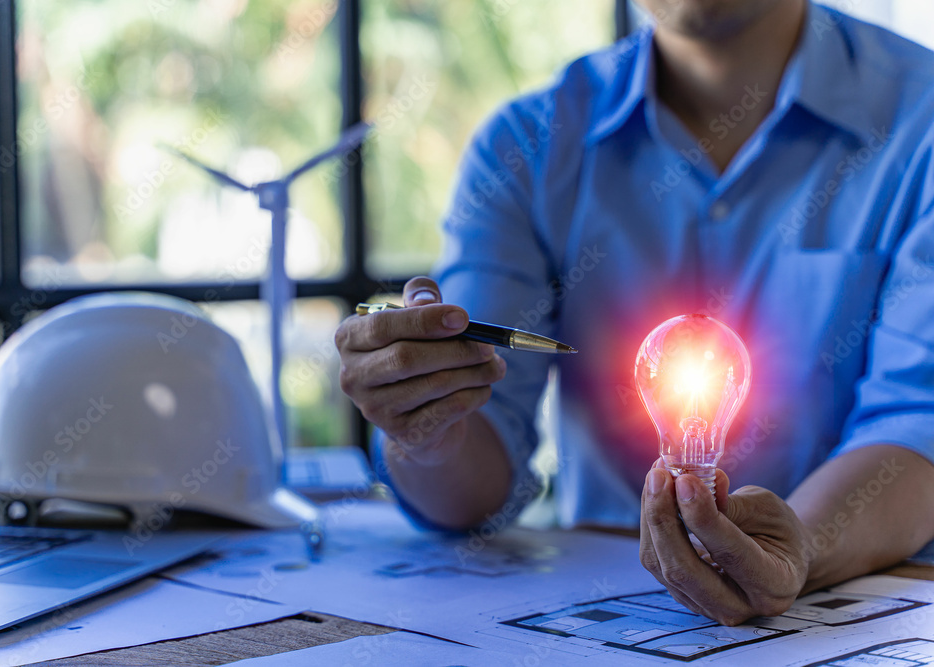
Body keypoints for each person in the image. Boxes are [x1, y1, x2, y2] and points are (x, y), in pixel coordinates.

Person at [334, 0, 934, 626]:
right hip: (605, 615)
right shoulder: (526, 147)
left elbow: (919, 424)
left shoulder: (922, 123)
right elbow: (475, 473)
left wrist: (801, 547)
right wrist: (424, 424)